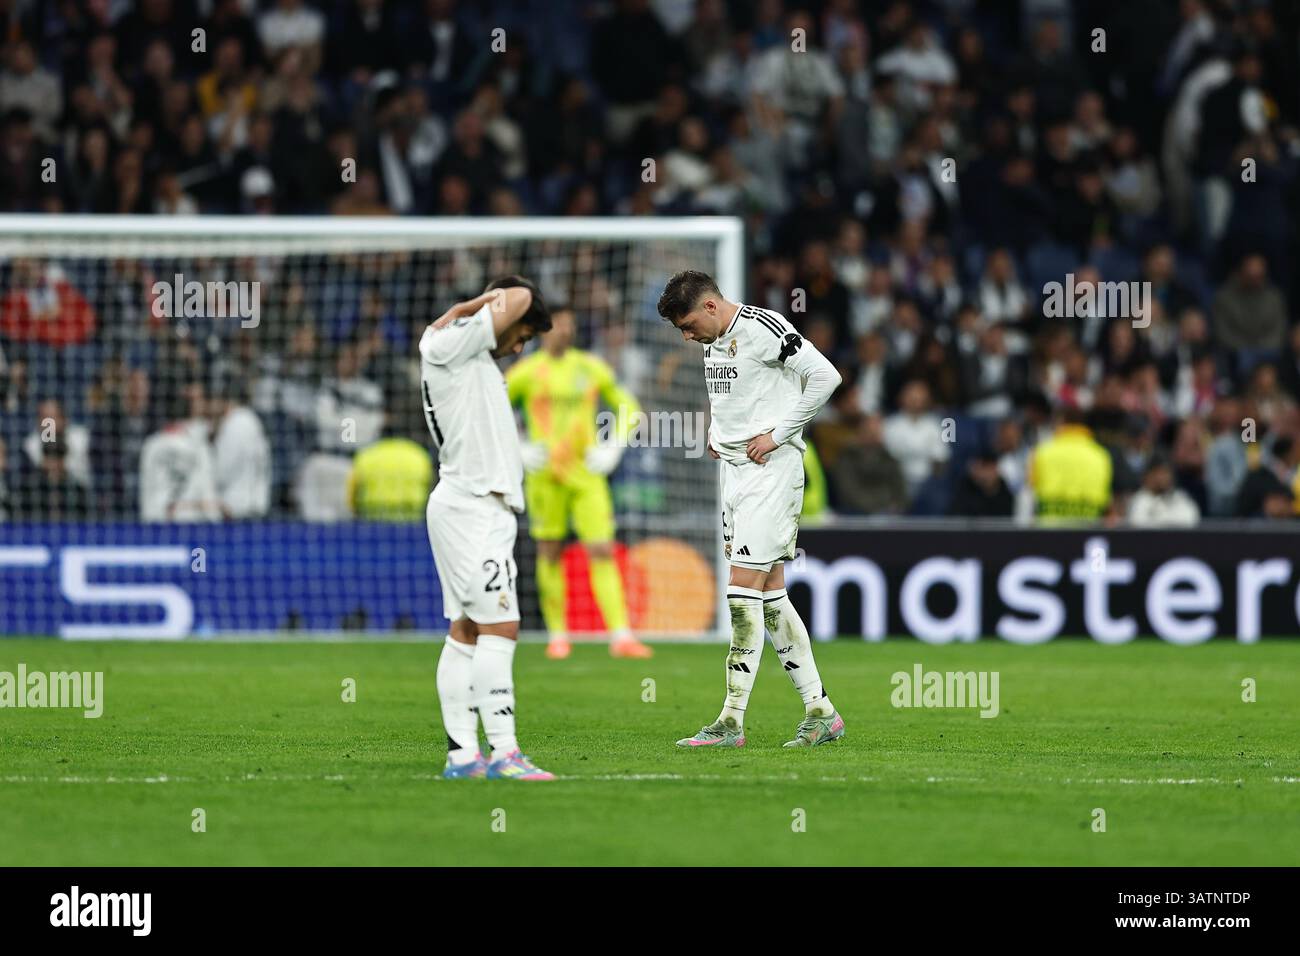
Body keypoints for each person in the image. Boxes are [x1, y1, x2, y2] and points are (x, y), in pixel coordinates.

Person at [657, 270, 845, 749]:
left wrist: (779, 434)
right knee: (770, 595)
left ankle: (730, 721)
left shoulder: (765, 328)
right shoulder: (713, 341)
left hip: (771, 472)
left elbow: (826, 376)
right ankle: (821, 710)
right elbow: (736, 394)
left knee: (742, 595)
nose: (686, 336)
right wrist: (721, 436)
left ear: (711, 306)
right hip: (735, 473)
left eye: (687, 324)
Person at [422, 275, 555, 781]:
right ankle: (504, 753)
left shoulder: (465, 352)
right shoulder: (452, 343)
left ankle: (462, 757)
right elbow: (518, 293)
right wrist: (472, 304)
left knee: (468, 631)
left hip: (477, 508)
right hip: (471, 509)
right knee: (501, 627)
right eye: (520, 337)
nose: (519, 348)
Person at [506, 306, 652, 660]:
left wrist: (614, 446)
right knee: (550, 551)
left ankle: (620, 635)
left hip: (588, 475)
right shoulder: (525, 373)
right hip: (546, 477)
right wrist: (519, 446)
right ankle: (558, 636)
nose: (565, 330)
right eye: (558, 324)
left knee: (602, 549)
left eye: (570, 324)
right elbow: (492, 411)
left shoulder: (590, 367)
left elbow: (630, 408)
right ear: (543, 329)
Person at [139, 380, 222, 522]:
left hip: (157, 528)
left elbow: (146, 498)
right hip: (192, 529)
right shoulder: (200, 447)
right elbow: (209, 505)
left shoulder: (151, 445)